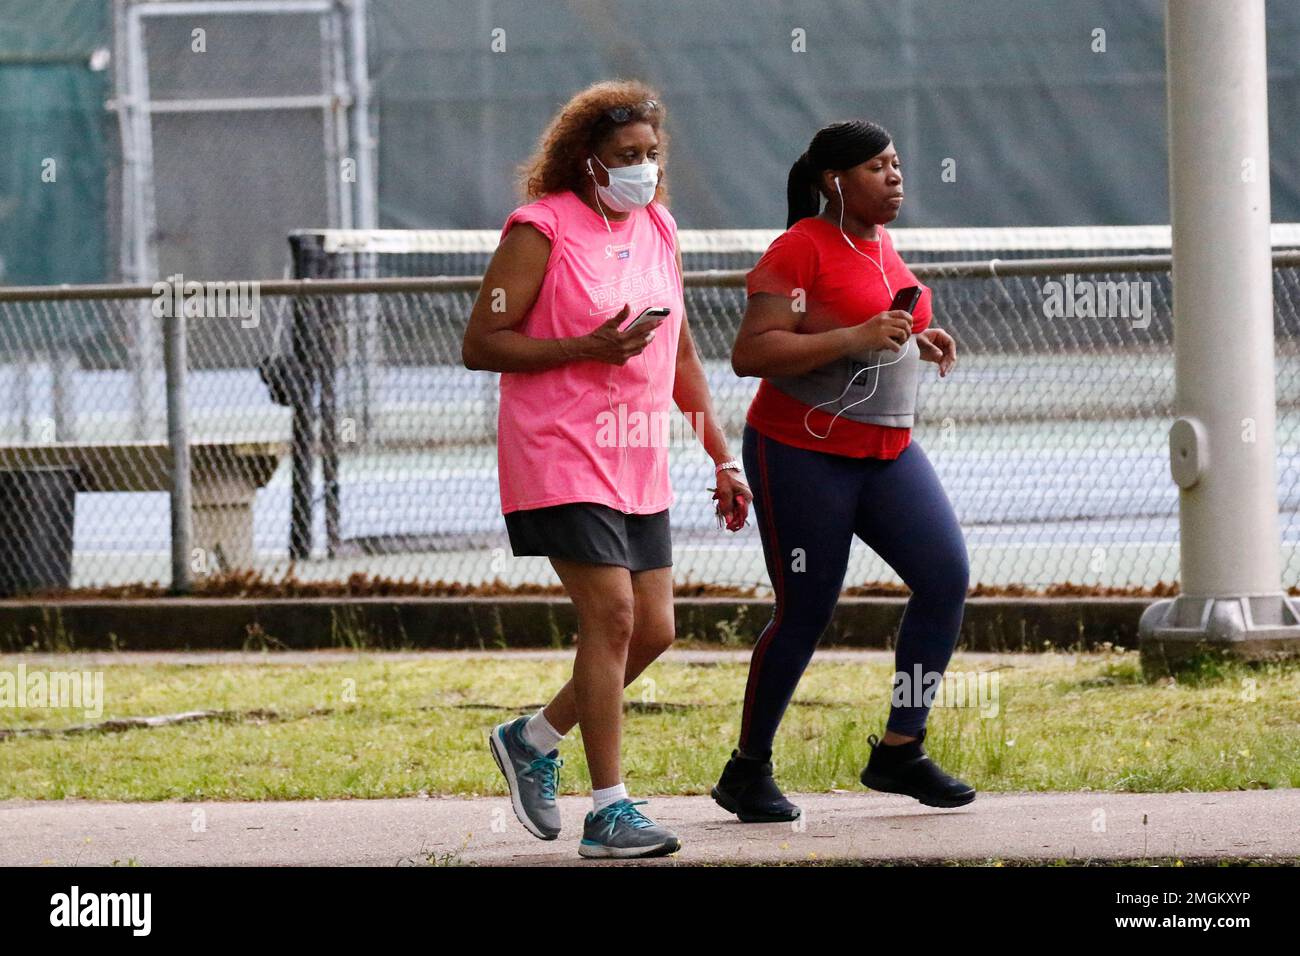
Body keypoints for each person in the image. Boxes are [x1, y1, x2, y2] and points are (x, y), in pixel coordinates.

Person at [461, 80, 752, 858]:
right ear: (586, 161)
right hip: (557, 450)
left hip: (637, 453)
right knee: (614, 616)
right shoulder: (539, 230)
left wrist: (723, 456)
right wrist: (583, 348)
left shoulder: (659, 225)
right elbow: (480, 344)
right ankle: (610, 812)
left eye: (652, 155)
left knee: (654, 629)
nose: (644, 170)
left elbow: (680, 352)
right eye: (627, 157)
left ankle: (532, 740)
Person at [711, 120, 974, 823]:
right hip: (799, 452)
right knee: (806, 610)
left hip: (885, 453)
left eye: (897, 164)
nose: (894, 177)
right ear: (835, 180)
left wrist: (917, 339)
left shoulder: (881, 246)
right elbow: (752, 352)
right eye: (877, 167)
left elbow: (873, 328)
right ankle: (748, 771)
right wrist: (858, 335)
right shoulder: (800, 249)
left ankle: (900, 748)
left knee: (945, 577)